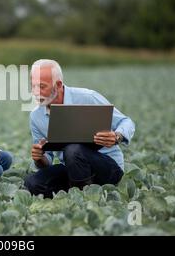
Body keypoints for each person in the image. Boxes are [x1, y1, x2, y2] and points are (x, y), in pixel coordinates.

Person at [24, 59, 135, 198]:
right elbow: (46, 161)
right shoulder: (36, 116)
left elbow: (127, 122)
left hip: (107, 168)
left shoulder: (88, 97)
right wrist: (39, 158)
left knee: (73, 149)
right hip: (72, 169)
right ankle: (78, 189)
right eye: (33, 86)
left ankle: (81, 198)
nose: (35, 92)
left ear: (58, 85)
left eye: (41, 86)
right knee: (32, 183)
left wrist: (117, 136)